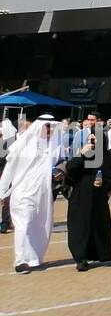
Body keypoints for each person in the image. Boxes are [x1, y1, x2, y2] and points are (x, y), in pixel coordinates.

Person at [0, 115, 58, 273]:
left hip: (43, 195)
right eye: (47, 127)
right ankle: (21, 261)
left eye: (52, 127)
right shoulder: (22, 145)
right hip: (23, 193)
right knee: (23, 225)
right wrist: (2, 191)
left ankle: (33, 258)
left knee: (40, 225)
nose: (50, 130)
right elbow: (9, 169)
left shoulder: (53, 146)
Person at [63, 125, 111, 270]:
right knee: (79, 227)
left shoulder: (107, 157)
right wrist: (83, 153)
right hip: (80, 196)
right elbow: (71, 169)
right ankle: (80, 259)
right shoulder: (84, 153)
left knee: (97, 227)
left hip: (98, 198)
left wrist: (105, 183)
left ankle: (97, 254)